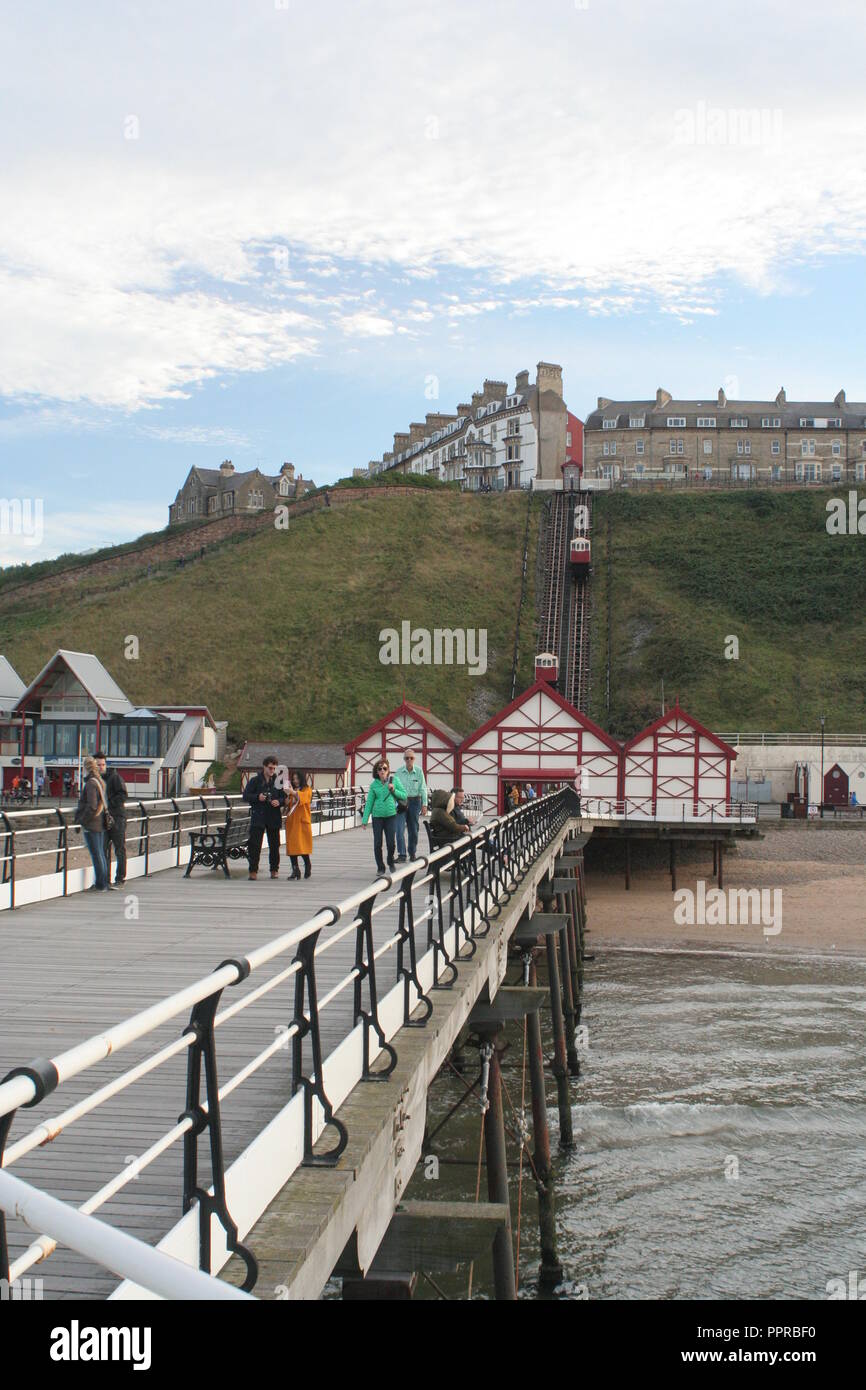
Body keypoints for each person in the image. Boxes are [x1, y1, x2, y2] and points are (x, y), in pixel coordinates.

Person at [243, 755, 286, 880]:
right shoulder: (255, 781)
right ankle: (253, 871)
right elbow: (245, 796)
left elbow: (284, 798)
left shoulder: (278, 782)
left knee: (274, 845)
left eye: (274, 768)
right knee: (255, 845)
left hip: (273, 815)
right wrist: (258, 797)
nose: (272, 771)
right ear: (264, 767)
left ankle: (274, 870)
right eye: (270, 768)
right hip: (259, 816)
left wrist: (279, 801)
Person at [361, 759, 406, 873]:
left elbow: (404, 795)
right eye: (380, 769)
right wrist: (365, 819)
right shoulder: (374, 785)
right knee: (377, 843)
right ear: (376, 771)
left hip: (391, 815)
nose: (382, 771)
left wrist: (393, 789)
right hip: (377, 817)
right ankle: (380, 867)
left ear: (388, 770)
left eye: (384, 768)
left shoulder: (394, 781)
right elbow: (369, 803)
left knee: (391, 843)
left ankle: (390, 861)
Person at [76, 754, 112, 891]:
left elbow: (92, 805)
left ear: (86, 768)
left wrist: (82, 820)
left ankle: (100, 884)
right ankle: (103, 882)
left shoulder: (91, 783)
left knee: (96, 854)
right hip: (100, 822)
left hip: (93, 823)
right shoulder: (99, 781)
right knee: (101, 853)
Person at [95, 753, 128, 886]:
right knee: (103, 850)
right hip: (103, 820)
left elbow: (123, 795)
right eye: (98, 765)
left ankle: (120, 878)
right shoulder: (95, 779)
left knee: (119, 849)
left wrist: (108, 804)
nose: (101, 767)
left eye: (102, 764)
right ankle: (105, 879)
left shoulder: (114, 777)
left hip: (117, 818)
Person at [394, 750, 427, 861]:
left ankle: (412, 853)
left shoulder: (419, 771)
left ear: (414, 759)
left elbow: (423, 788)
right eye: (407, 758)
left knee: (413, 829)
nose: (409, 760)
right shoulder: (398, 772)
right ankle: (402, 855)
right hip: (401, 802)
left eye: (411, 758)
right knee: (399, 829)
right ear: (404, 759)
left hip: (415, 802)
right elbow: (394, 789)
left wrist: (425, 804)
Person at [285, 770, 313, 879]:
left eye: (297, 779)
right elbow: (289, 805)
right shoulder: (292, 791)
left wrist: (293, 793)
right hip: (292, 821)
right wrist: (286, 801)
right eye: (294, 779)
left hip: (302, 822)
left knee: (302, 847)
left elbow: (304, 798)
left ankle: (307, 865)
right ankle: (295, 869)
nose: (295, 781)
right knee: (292, 847)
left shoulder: (307, 790)